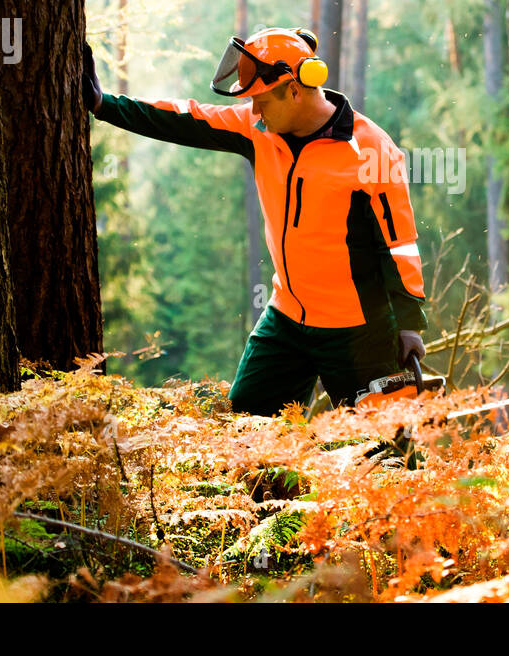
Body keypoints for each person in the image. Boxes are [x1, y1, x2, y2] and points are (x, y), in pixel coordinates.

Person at [82, 26, 428, 415]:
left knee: (384, 454)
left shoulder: (370, 150)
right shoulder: (259, 130)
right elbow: (188, 117)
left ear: (295, 90)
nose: (255, 112)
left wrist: (409, 324)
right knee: (248, 425)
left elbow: (398, 244)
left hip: (359, 331)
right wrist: (104, 105)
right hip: (287, 318)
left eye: (261, 101)